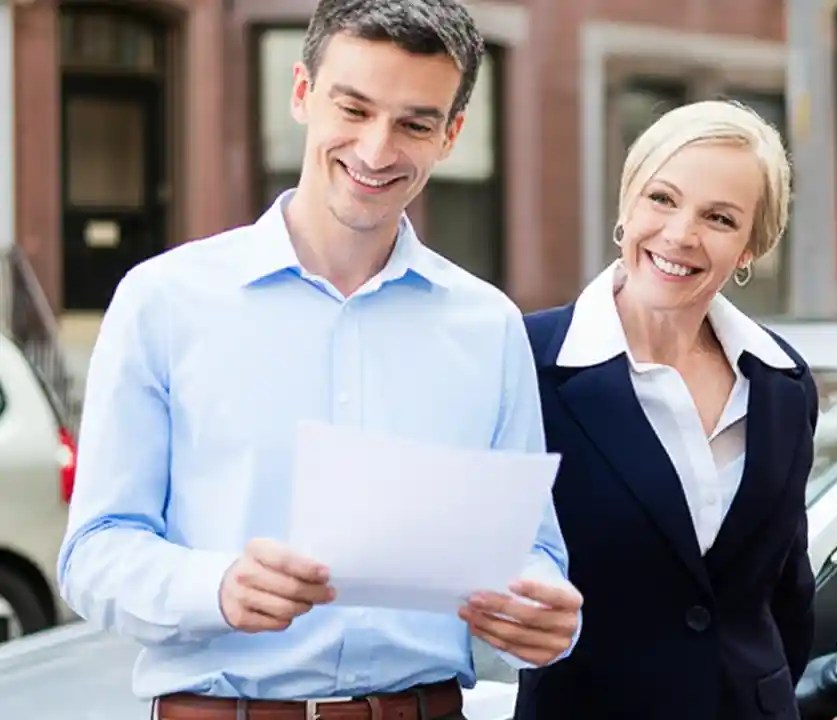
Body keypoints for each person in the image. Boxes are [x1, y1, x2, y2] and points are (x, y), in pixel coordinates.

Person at [56, 2, 581, 718]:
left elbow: (531, 551)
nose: (375, 150)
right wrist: (217, 586)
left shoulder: (488, 327)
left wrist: (542, 615)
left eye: (415, 124)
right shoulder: (164, 302)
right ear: (302, 93)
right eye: (354, 108)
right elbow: (94, 552)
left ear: (451, 135)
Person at [516, 100, 818, 720]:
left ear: (749, 250)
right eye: (662, 198)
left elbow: (786, 598)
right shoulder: (526, 363)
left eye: (720, 217)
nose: (681, 234)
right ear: (627, 206)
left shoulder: (782, 383)